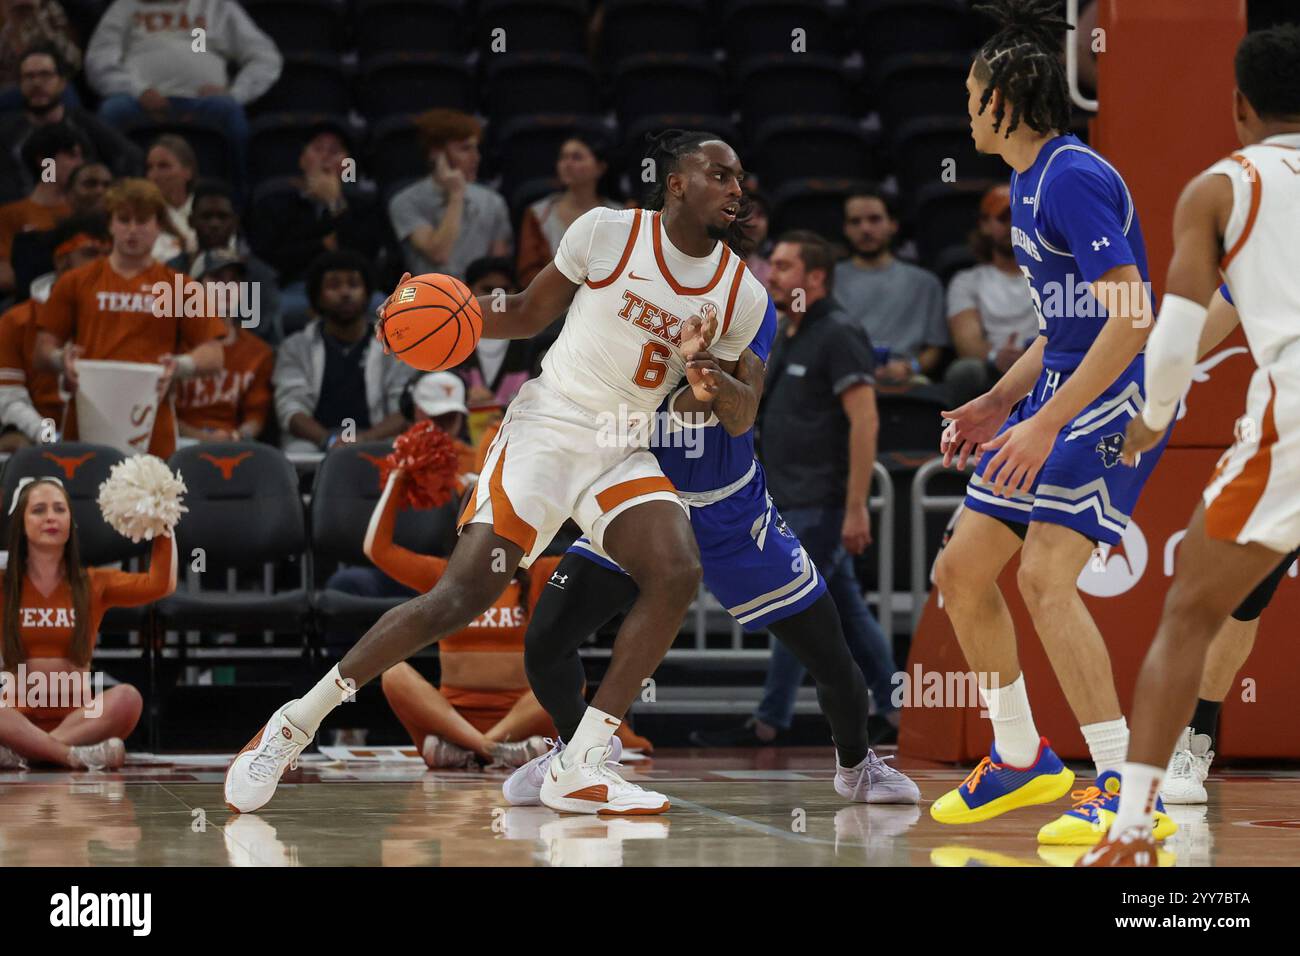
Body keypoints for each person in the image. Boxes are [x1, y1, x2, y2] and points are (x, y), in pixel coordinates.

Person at [225, 128, 769, 818]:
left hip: (624, 440)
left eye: (739, 177)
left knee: (677, 569)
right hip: (550, 424)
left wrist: (701, 374)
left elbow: (734, 417)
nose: (735, 188)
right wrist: (433, 315)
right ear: (678, 183)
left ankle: (580, 763)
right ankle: (293, 724)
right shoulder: (607, 232)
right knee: (459, 597)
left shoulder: (741, 294)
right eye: (720, 174)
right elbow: (527, 312)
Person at [502, 222, 919, 808]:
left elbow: (733, 412)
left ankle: (857, 766)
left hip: (732, 515)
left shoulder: (747, 307)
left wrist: (702, 376)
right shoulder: (624, 302)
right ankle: (579, 753)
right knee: (546, 641)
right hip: (641, 503)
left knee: (831, 658)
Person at [929, 0, 1175, 846]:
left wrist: (1043, 426)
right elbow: (1066, 324)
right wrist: (1002, 401)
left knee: (1043, 578)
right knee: (962, 572)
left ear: (1002, 102)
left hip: (1111, 402)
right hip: (1058, 395)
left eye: (972, 97)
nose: (966, 111)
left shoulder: (1070, 176)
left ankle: (1127, 790)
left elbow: (1132, 319)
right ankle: (1019, 756)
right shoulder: (1030, 182)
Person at [1083, 25, 1300, 864]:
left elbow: (1175, 338)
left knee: (1188, 615)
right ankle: (1188, 754)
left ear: (1239, 105)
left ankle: (1133, 830)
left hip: (1291, 417)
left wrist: (1151, 416)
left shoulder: (1221, 187)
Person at [690, 230, 902, 749]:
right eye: (774, 266)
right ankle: (897, 710)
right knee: (845, 608)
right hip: (788, 494)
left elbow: (866, 422)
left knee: (793, 607)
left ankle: (769, 721)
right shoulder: (789, 330)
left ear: (816, 278)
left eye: (785, 267)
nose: (773, 275)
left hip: (822, 499)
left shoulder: (839, 332)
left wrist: (856, 508)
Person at [32, 177, 226, 459]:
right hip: (86, 416)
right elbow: (42, 351)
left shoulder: (180, 287)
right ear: (110, 224)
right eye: (124, 220)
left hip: (151, 422)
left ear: (159, 226)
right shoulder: (75, 281)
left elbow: (214, 355)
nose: (132, 230)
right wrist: (61, 359)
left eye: (142, 221)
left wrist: (180, 365)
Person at [0, 476, 175, 771]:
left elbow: (161, 584)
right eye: (39, 510)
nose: (51, 517)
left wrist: (163, 522)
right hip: (15, 718)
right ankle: (70, 756)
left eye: (59, 509)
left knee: (128, 698)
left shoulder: (93, 583)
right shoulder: (5, 586)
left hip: (80, 720)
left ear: (71, 522)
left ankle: (29, 754)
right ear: (21, 524)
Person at [85, 0, 282, 183]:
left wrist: (235, 93)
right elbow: (98, 60)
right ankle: (109, 196)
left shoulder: (216, 5)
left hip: (205, 103)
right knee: (111, 111)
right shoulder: (125, 6)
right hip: (137, 102)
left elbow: (265, 56)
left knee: (230, 111)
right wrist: (137, 90)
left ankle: (238, 198)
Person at [247, 120, 398, 331]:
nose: (325, 157)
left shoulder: (364, 204)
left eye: (335, 151)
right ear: (302, 160)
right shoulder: (276, 201)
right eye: (318, 149)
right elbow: (271, 257)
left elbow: (365, 255)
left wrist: (336, 205)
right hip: (295, 288)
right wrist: (322, 245)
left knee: (385, 308)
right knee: (273, 310)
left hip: (353, 288)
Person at [271, 250, 416, 455]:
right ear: (317, 296)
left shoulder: (394, 344)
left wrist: (364, 440)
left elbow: (403, 409)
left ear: (367, 293)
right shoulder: (294, 347)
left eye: (353, 284)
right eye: (334, 285)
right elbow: (290, 408)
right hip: (316, 441)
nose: (345, 292)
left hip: (375, 438)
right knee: (298, 452)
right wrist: (329, 441)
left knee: (399, 448)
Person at [0, 213, 108, 451]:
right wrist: (51, 439)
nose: (103, 265)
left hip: (104, 434)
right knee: (15, 443)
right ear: (62, 261)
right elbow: (9, 400)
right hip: (37, 437)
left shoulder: (119, 316)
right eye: (91, 253)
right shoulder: (16, 321)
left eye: (108, 255)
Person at [834, 184, 948, 385]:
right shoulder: (826, 281)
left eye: (874, 219)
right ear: (845, 229)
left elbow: (935, 348)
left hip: (907, 378)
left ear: (893, 225)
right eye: (855, 221)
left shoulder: (926, 283)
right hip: (842, 376)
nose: (865, 229)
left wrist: (910, 367)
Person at [0, 43, 140, 203]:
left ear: (62, 82)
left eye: (45, 75)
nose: (37, 83)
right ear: (20, 85)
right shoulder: (6, 131)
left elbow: (130, 157)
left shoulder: (85, 125)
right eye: (29, 76)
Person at [388, 108, 512, 282]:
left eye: (476, 148)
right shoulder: (405, 202)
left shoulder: (493, 201)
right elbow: (439, 254)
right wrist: (456, 195)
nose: (476, 158)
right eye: (465, 149)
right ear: (436, 153)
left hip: (478, 294)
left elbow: (497, 269)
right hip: (430, 292)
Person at [943, 184, 1040, 407]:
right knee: (964, 370)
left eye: (1019, 217)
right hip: (992, 369)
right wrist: (997, 356)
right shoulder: (966, 281)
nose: (1013, 225)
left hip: (1044, 363)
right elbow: (967, 343)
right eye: (1003, 219)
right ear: (985, 225)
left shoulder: (1053, 275)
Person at [173, 250, 272, 445]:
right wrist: (203, 438)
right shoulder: (171, 343)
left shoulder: (259, 352)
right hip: (177, 441)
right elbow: (160, 413)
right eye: (217, 279)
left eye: (234, 281)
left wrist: (237, 437)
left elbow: (256, 416)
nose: (226, 288)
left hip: (233, 445)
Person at [169, 178, 281, 344]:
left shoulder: (260, 276)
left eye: (222, 217)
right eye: (206, 217)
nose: (214, 224)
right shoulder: (170, 272)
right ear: (191, 221)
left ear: (235, 222)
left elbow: (264, 335)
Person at [515, 132, 621, 286]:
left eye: (577, 157)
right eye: (563, 157)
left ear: (600, 167)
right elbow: (528, 273)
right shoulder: (538, 213)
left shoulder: (620, 215)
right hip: (550, 297)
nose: (567, 164)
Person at [0, 119, 80, 295]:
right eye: (71, 155)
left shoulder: (83, 212)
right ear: (46, 162)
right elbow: (4, 275)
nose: (79, 164)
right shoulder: (9, 215)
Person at [144, 134, 197, 262]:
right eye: (150, 167)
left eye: (163, 166)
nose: (153, 175)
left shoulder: (208, 211)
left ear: (188, 172)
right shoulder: (143, 217)